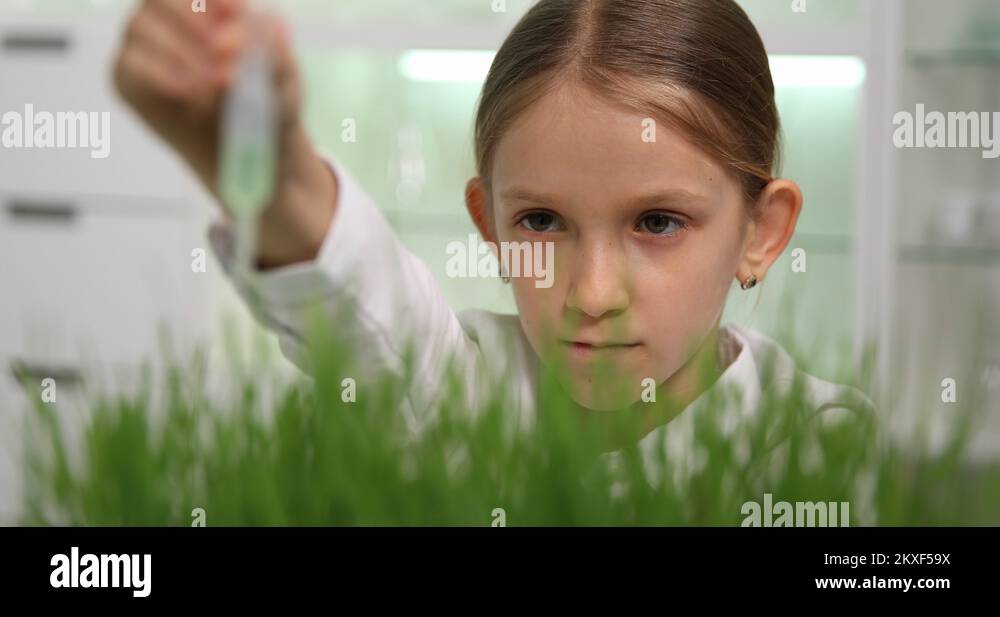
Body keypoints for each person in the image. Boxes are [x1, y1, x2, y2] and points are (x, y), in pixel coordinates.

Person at [113, 0, 874, 453]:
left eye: (658, 221)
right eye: (541, 220)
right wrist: (273, 179)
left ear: (761, 232)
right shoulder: (462, 385)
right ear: (490, 222)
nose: (595, 292)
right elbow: (363, 306)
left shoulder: (813, 437)